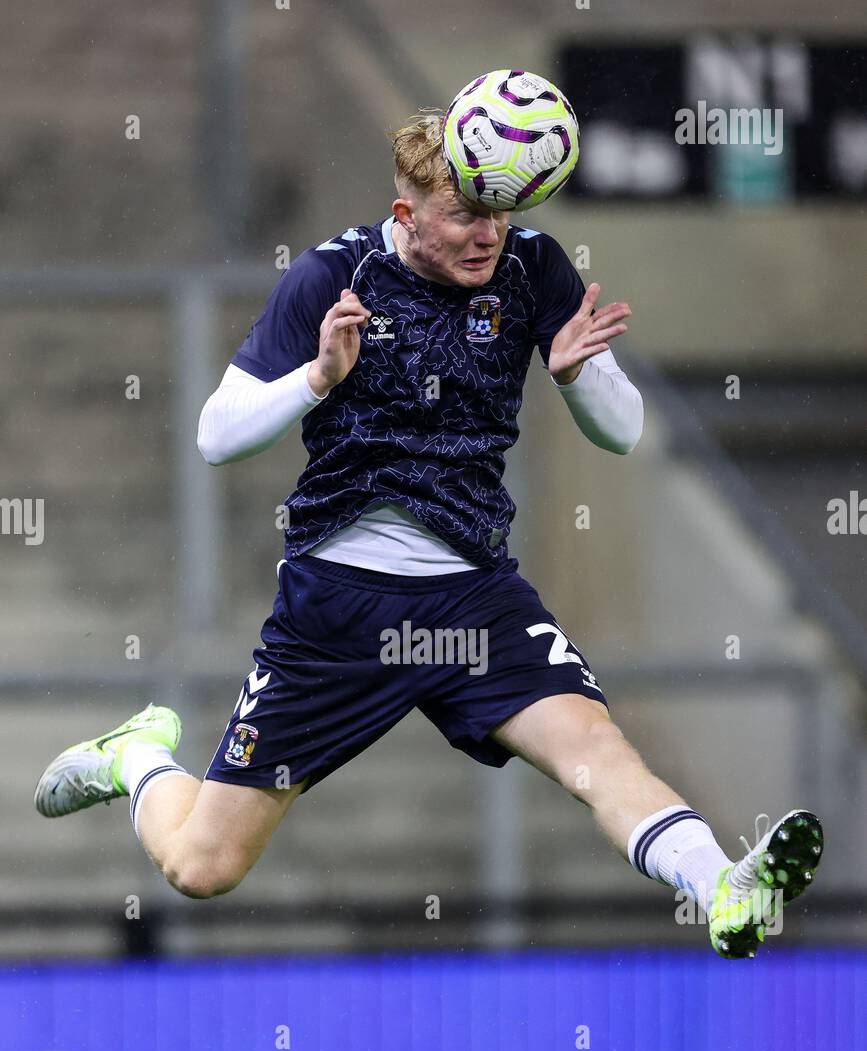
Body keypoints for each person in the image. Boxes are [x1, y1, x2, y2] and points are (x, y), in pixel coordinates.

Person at [34, 110, 823, 958]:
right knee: (202, 867)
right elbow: (215, 436)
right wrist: (316, 376)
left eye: (498, 213)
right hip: (339, 603)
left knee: (596, 751)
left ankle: (720, 887)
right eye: (465, 216)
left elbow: (622, 431)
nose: (488, 234)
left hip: (475, 597)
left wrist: (575, 378)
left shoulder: (533, 267)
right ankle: (136, 760)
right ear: (407, 215)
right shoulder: (334, 276)